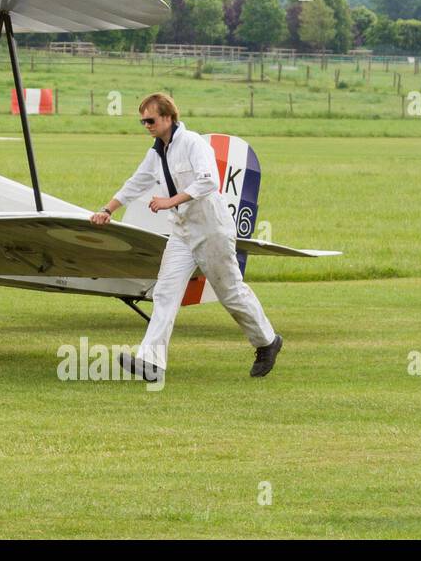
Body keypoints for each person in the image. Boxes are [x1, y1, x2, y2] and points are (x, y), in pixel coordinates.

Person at [90, 93, 281, 381]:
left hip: (211, 229)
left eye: (150, 120)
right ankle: (151, 363)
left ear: (168, 117)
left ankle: (267, 341)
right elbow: (137, 181)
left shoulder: (192, 143)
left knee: (230, 293)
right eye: (142, 121)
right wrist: (108, 209)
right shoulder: (155, 152)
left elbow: (209, 180)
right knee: (165, 293)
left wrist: (170, 201)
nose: (146, 125)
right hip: (181, 232)